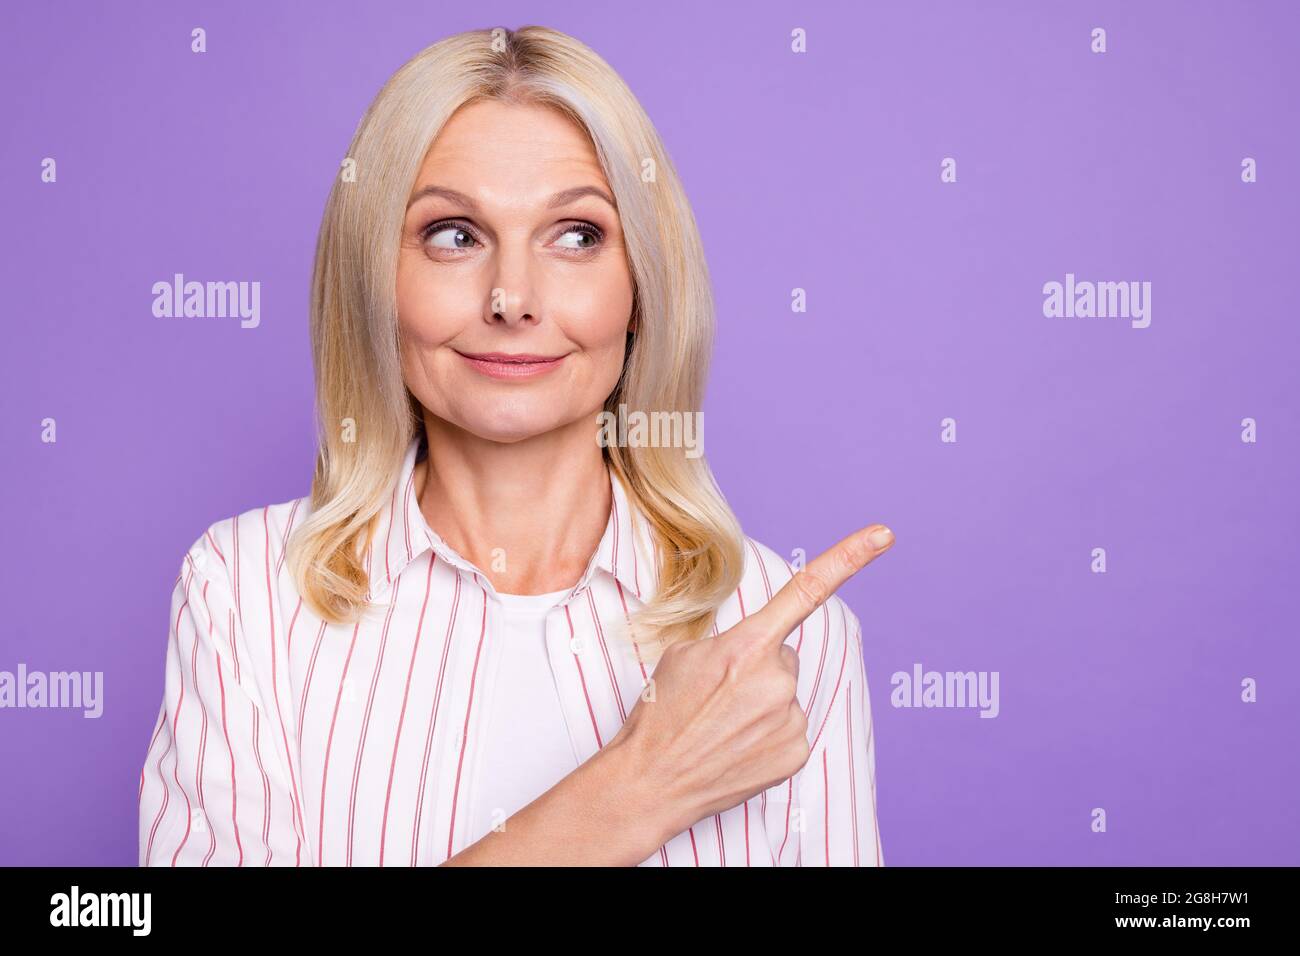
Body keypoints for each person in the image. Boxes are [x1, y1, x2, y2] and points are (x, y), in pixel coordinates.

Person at [138, 24, 894, 867]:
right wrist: (642, 788)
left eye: (575, 235)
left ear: (643, 285)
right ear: (373, 280)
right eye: (454, 234)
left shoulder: (781, 639)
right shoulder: (245, 594)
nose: (512, 298)